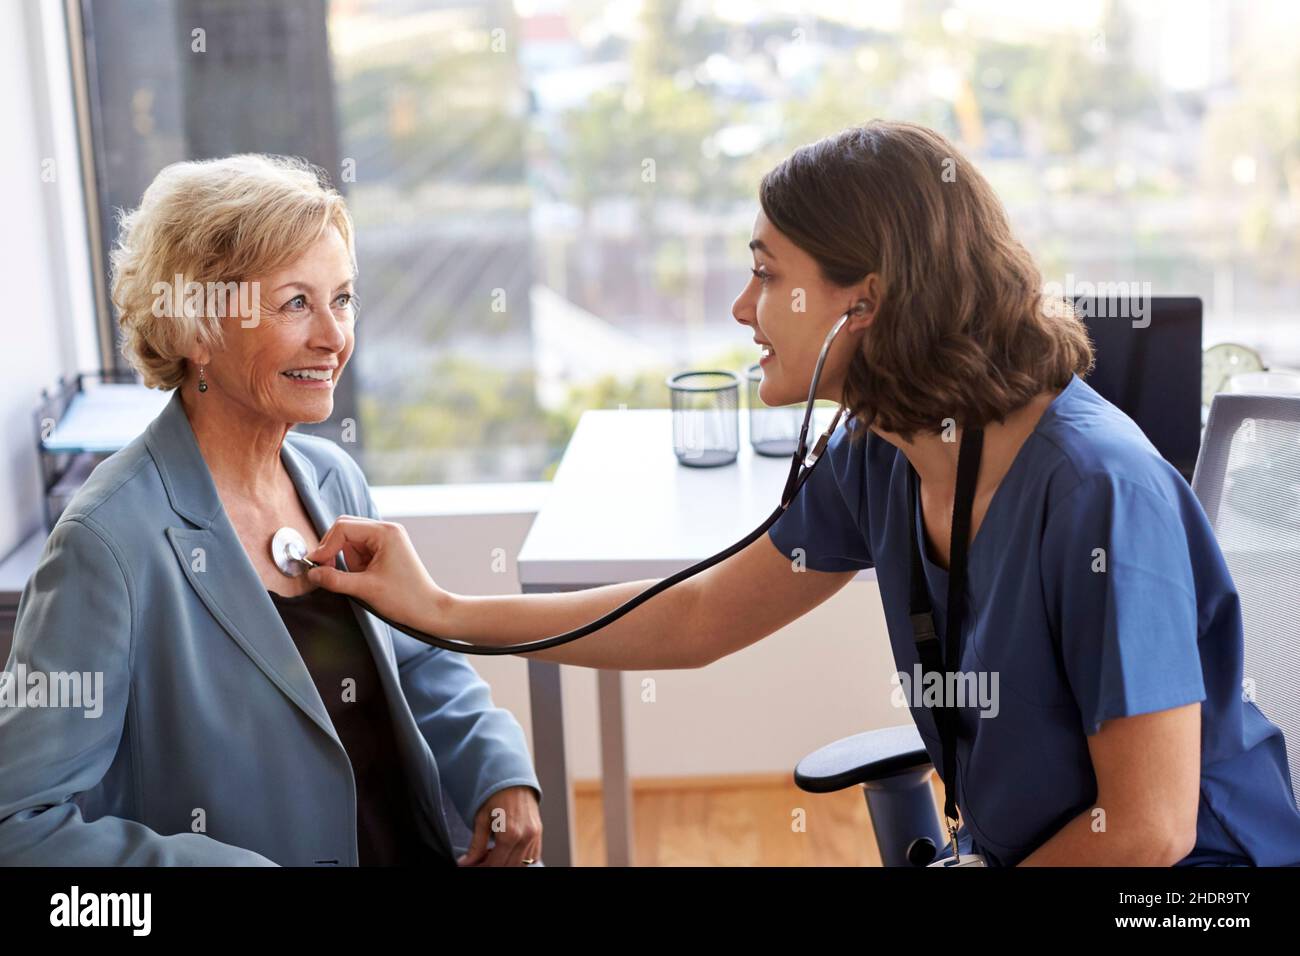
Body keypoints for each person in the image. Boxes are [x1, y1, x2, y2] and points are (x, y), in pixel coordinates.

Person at [305, 121, 1300, 867]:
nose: (742, 309)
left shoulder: (1095, 491)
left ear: (862, 301)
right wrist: (437, 608)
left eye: (765, 276)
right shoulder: (883, 450)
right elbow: (694, 617)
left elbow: (1147, 826)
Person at [0, 154, 541, 866]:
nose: (333, 336)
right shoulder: (107, 543)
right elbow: (22, 822)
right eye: (295, 304)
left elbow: (414, 665)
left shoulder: (333, 479)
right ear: (197, 328)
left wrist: (498, 771)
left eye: (342, 299)